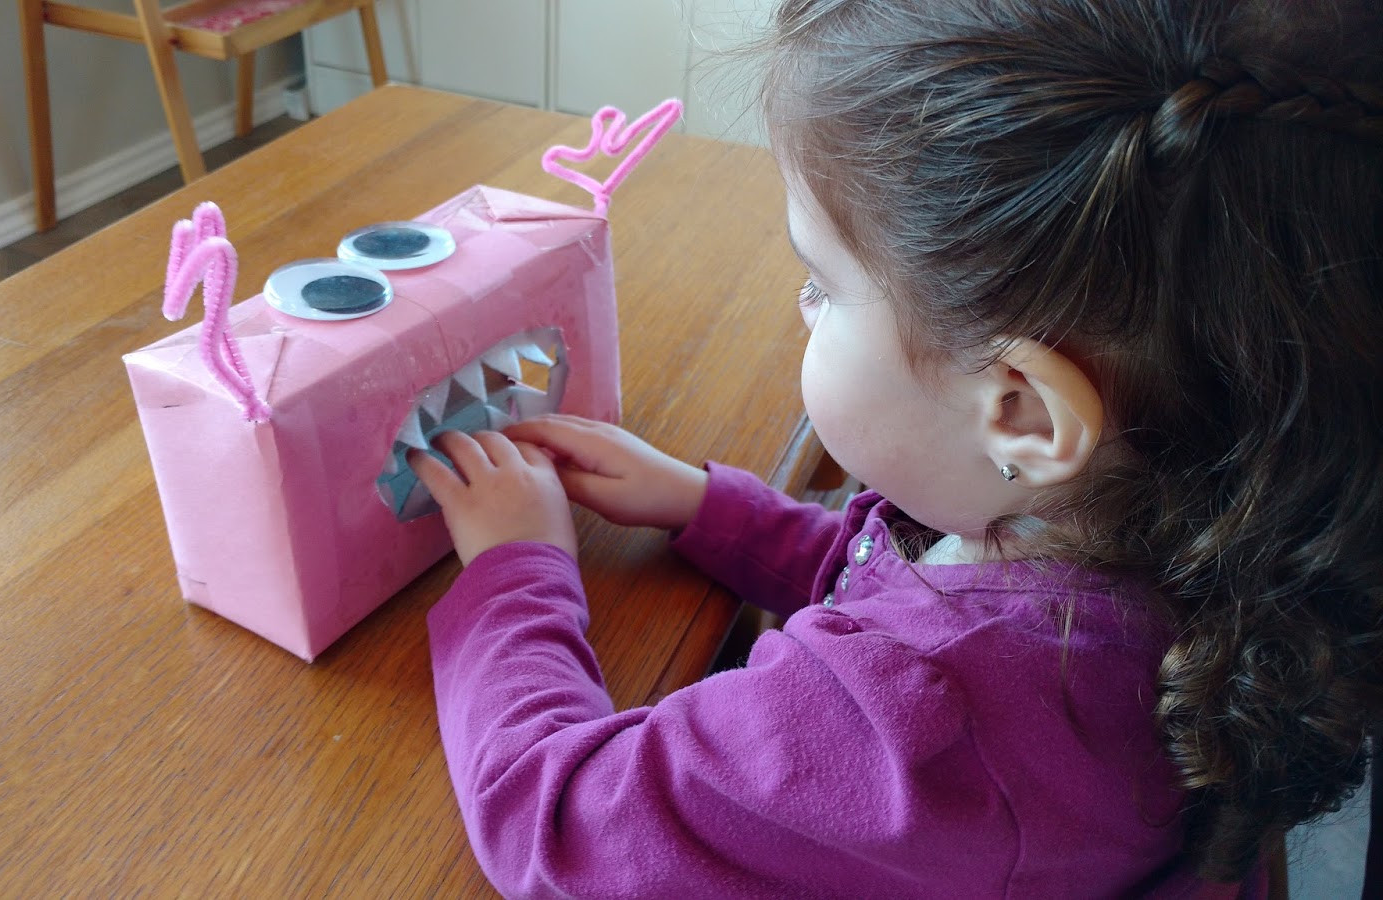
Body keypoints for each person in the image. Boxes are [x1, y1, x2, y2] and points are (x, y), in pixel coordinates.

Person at [407, 0, 1383, 895]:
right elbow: (905, 581)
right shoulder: (1215, 518)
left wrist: (514, 565)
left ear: (1022, 413)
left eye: (823, 283)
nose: (798, 303)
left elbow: (564, 823)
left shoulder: (931, 725)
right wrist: (711, 508)